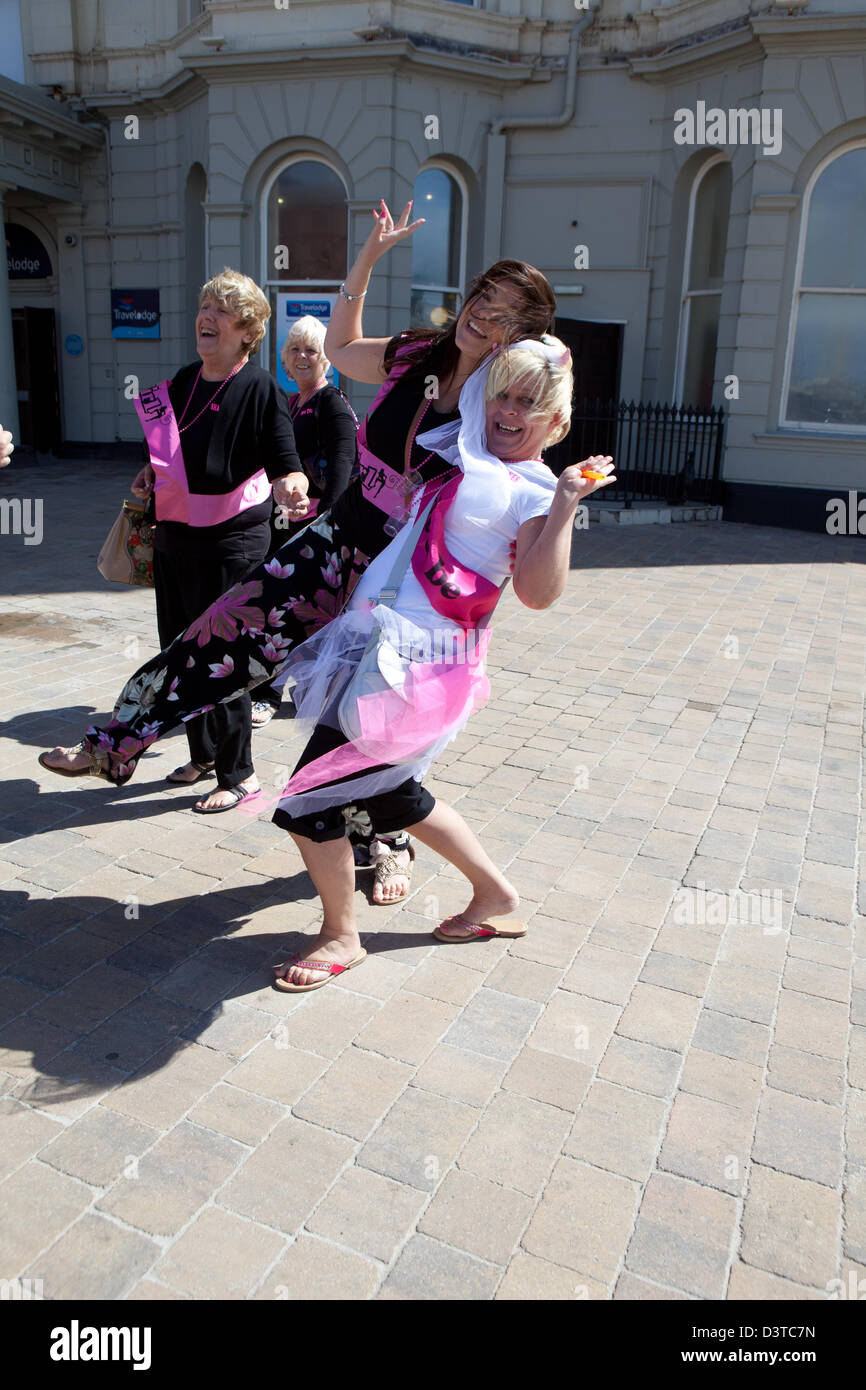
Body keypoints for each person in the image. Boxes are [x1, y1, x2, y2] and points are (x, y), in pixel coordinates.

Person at [38, 212, 557, 875]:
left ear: (526, 336)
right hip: (337, 539)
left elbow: (547, 410)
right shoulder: (418, 354)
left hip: (406, 583)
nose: (484, 314)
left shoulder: (501, 398)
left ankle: (387, 844)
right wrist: (368, 254)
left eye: (507, 314)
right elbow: (341, 349)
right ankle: (117, 738)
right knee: (221, 632)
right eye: (484, 296)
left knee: (371, 719)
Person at [269, 336, 615, 990]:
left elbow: (539, 592)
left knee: (310, 799)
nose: (510, 411)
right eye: (503, 395)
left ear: (558, 422)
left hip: (414, 669)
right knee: (389, 791)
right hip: (378, 648)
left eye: (530, 403)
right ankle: (497, 898)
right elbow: (363, 352)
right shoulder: (467, 451)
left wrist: (567, 502)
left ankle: (342, 935)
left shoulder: (534, 489)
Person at [39, 268, 310, 812]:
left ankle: (240, 774)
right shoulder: (182, 382)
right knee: (178, 652)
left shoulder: (259, 388)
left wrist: (292, 487)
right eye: (204, 307)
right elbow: (168, 456)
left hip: (232, 544)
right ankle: (203, 753)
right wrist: (147, 472)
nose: (206, 318)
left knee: (222, 660)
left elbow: (286, 464)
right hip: (176, 541)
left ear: (247, 330)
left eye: (222, 311)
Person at [252, 314, 358, 729]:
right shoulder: (292, 401)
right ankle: (288, 688)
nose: (301, 357)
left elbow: (344, 468)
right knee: (282, 609)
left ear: (326, 359)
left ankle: (268, 693)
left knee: (286, 610)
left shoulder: (330, 402)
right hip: (283, 525)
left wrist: (326, 528)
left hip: (312, 529)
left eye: (311, 350)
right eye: (294, 349)